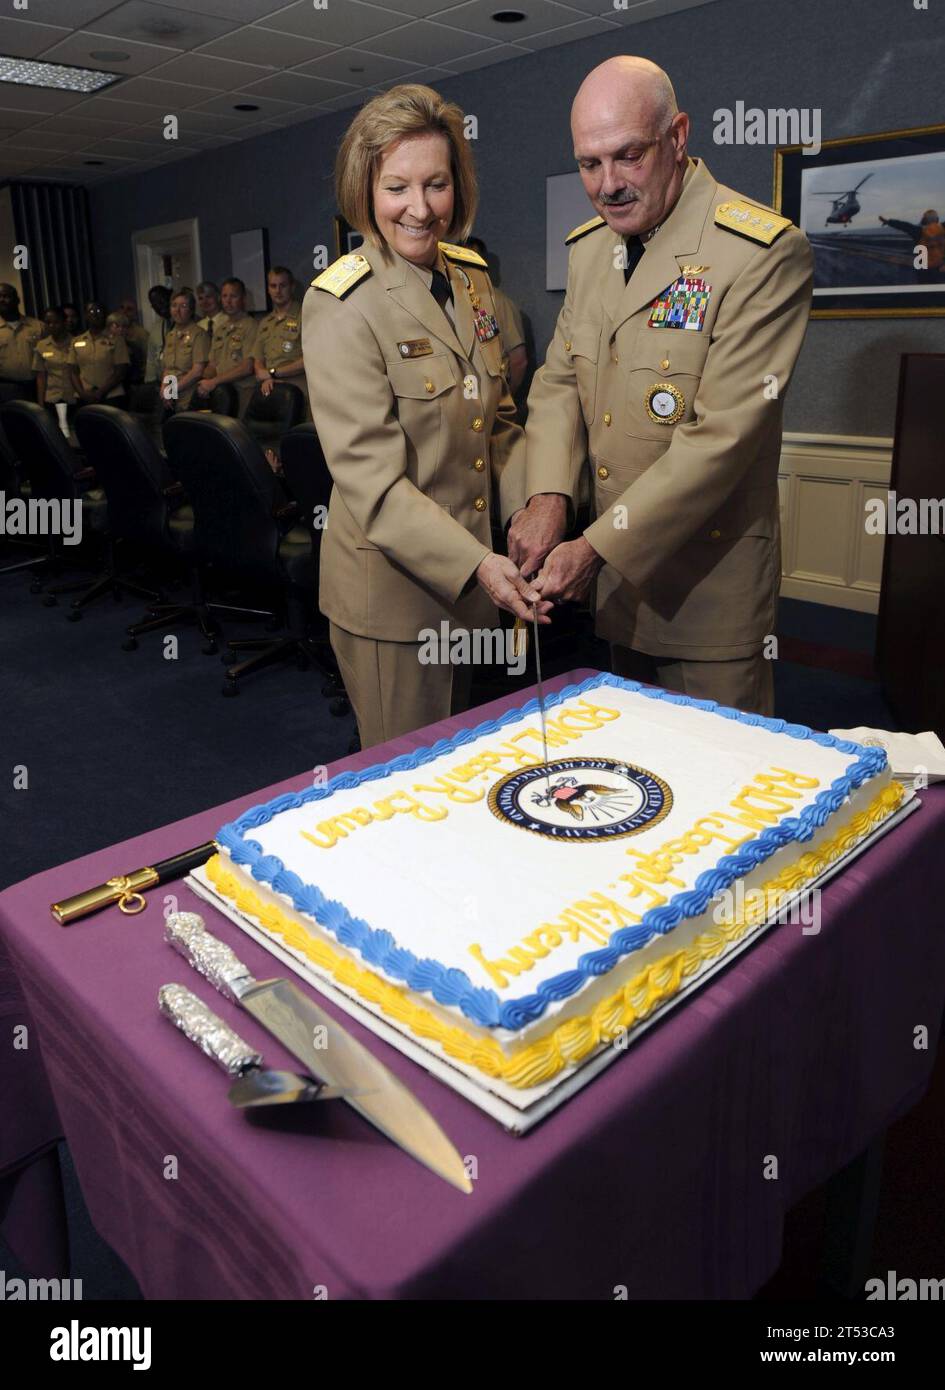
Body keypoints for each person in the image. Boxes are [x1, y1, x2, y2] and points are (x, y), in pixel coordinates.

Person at [510, 56, 813, 718]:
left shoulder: (759, 252)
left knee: (724, 798)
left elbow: (721, 439)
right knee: (640, 780)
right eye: (588, 164)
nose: (607, 184)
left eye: (627, 156)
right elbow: (560, 379)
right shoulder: (592, 250)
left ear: (677, 137)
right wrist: (548, 495)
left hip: (706, 593)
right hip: (619, 589)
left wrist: (593, 546)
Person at [301, 83, 542, 747]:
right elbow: (371, 484)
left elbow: (497, 426)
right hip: (393, 600)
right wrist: (481, 563)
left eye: (435, 184)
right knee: (400, 786)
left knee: (454, 769)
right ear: (364, 191)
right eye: (396, 187)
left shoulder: (470, 280)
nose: (419, 208)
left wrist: (530, 509)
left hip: (468, 585)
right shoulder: (341, 303)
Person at [465, 236, 528, 395]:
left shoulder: (499, 303)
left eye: (472, 261)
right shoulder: (449, 301)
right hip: (465, 398)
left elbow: (518, 361)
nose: (467, 268)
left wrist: (507, 400)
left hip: (494, 396)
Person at [253, 265, 308, 415]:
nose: (278, 291)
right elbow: (258, 360)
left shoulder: (305, 315)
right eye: (273, 286)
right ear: (268, 289)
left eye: (282, 285)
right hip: (269, 388)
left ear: (292, 287)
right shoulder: (265, 322)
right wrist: (265, 375)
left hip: (299, 390)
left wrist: (273, 374)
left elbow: (309, 359)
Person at [195, 277, 258, 405]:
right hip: (221, 391)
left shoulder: (251, 326)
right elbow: (212, 365)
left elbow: (247, 367)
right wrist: (204, 381)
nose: (228, 301)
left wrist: (214, 381)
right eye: (224, 296)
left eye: (233, 296)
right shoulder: (221, 329)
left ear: (243, 299)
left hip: (243, 392)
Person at [159, 288, 210, 412]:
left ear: (191, 310)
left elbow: (197, 371)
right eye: (174, 305)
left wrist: (171, 390)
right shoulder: (170, 335)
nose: (177, 310)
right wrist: (165, 388)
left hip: (190, 396)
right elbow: (168, 369)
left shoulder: (199, 334)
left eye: (183, 306)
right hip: (171, 396)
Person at [73, 300, 129, 405]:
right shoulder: (76, 341)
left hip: (111, 396)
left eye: (99, 311)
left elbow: (120, 371)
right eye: (91, 311)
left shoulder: (117, 340)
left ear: (105, 315)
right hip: (84, 396)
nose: (95, 314)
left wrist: (101, 392)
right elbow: (73, 372)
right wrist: (82, 393)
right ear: (85, 315)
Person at [32, 306, 81, 423]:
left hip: (74, 397)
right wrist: (40, 403)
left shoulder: (77, 342)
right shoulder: (42, 346)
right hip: (52, 397)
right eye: (48, 323)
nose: (52, 326)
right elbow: (41, 376)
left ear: (64, 322)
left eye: (56, 322)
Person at [0, 283, 44, 402]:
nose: (1, 300)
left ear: (17, 300)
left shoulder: (38, 326)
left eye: (5, 296)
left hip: (35, 388)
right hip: (5, 389)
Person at [879, 210, 945, 282]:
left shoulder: (918, 231)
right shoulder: (943, 228)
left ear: (924, 220)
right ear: (937, 219)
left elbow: (904, 226)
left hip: (925, 269)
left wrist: (888, 222)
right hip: (941, 267)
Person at [117, 296, 150, 382]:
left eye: (129, 309)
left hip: (136, 380)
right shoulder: (109, 333)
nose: (124, 312)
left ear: (135, 314)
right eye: (122, 308)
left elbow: (148, 360)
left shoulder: (142, 334)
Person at [144, 285, 171, 382]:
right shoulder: (155, 329)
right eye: (155, 304)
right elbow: (150, 360)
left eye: (161, 301)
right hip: (163, 382)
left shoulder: (191, 323)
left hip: (184, 382)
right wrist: (150, 382)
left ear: (170, 298)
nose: (159, 306)